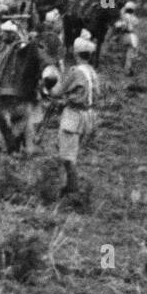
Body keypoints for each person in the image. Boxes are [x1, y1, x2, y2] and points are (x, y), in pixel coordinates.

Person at [51, 32, 100, 197]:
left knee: (67, 156)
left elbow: (57, 92)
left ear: (75, 52)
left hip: (74, 116)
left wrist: (49, 87)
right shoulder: (92, 72)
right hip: (90, 115)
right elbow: (97, 93)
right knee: (73, 151)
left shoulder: (74, 71)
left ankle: (72, 189)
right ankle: (69, 185)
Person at [113, 0, 139, 76]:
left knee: (124, 53)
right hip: (132, 36)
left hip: (123, 37)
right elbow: (135, 25)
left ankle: (122, 69)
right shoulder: (135, 19)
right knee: (130, 55)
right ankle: (127, 71)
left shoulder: (123, 17)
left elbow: (117, 25)